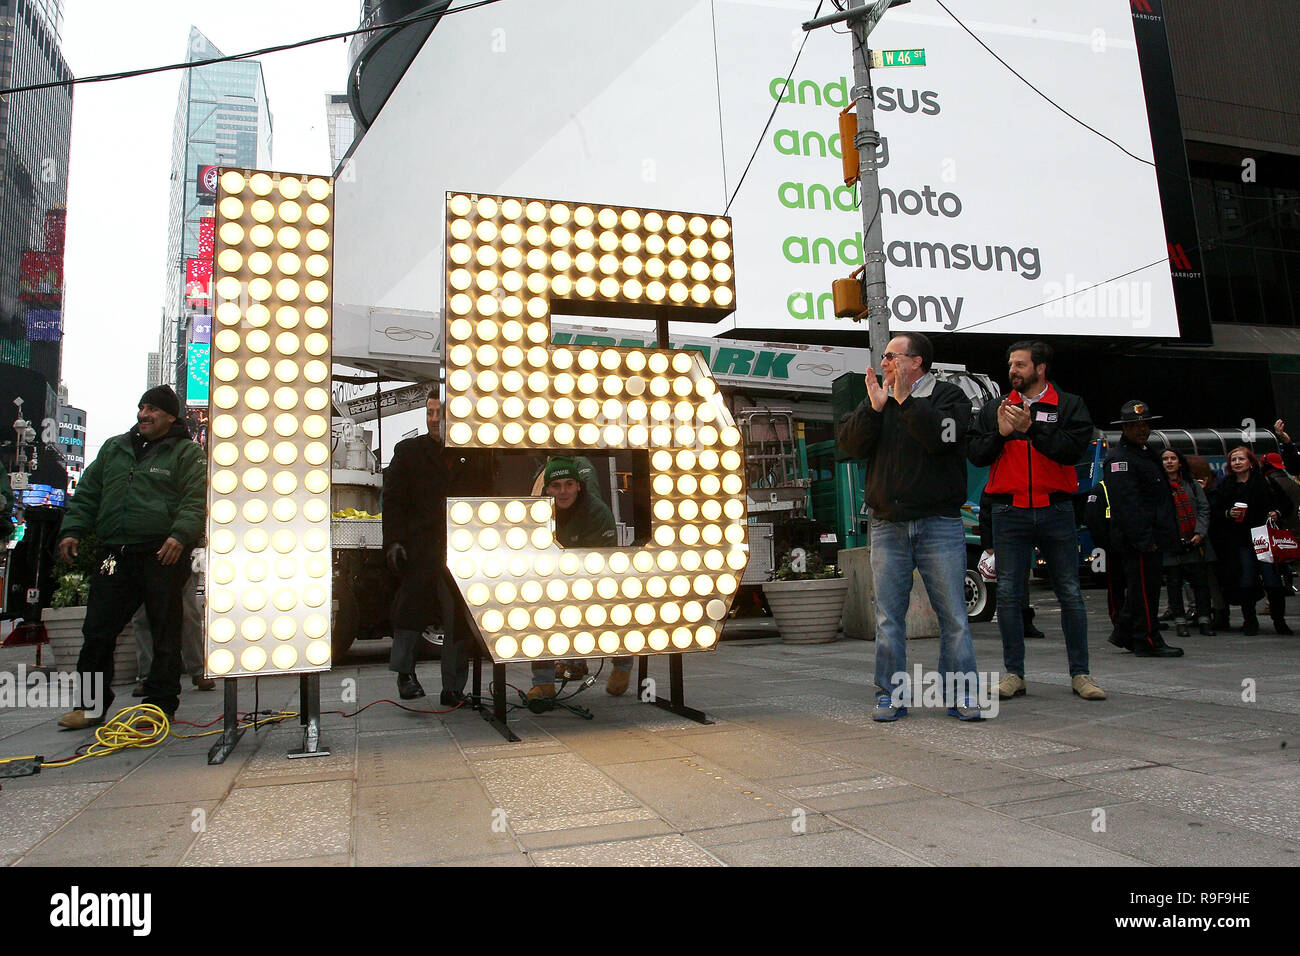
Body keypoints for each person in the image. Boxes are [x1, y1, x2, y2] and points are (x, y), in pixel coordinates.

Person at [838, 331, 983, 721]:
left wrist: (905, 402)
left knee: (952, 614)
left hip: (939, 523)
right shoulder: (877, 401)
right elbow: (849, 445)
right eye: (884, 357)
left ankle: (961, 695)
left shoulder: (950, 397)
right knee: (889, 616)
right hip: (888, 524)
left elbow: (943, 439)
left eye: (891, 356)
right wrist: (872, 408)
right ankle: (891, 695)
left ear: (916, 361)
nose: (884, 362)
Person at [55, 386, 206, 728]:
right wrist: (72, 529)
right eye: (142, 407)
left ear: (171, 416)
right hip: (116, 553)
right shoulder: (114, 448)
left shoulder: (185, 453)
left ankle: (159, 704)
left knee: (164, 630)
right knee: (97, 630)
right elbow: (88, 492)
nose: (144, 414)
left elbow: (195, 499)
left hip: (162, 553)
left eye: (152, 409)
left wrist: (179, 536)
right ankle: (89, 706)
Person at [968, 341, 1104, 701]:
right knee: (1009, 595)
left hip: (1056, 510)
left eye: (1021, 365)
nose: (1013, 370)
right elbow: (976, 455)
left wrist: (1031, 429)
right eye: (1011, 364)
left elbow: (1072, 451)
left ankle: (1081, 674)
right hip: (1009, 512)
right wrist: (1000, 433)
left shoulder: (1069, 405)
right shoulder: (996, 408)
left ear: (1040, 369)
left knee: (1070, 594)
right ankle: (1015, 674)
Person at [383, 391, 493, 705]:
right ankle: (405, 674)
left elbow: (486, 499)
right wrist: (393, 542)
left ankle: (453, 688)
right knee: (409, 611)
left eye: (439, 413)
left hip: (460, 551)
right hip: (420, 549)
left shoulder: (475, 454)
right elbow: (393, 501)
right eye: (429, 412)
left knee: (457, 618)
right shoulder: (408, 452)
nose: (433, 419)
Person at [527, 456, 627, 700]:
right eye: (556, 485)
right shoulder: (535, 513)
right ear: (546, 489)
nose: (563, 492)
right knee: (537, 614)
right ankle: (543, 683)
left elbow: (605, 563)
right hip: (551, 580)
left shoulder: (598, 512)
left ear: (579, 485)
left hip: (593, 580)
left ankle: (623, 666)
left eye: (569, 484)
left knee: (620, 608)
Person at [1103, 401, 1184, 657]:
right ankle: (1148, 640)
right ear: (1124, 428)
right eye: (1135, 425)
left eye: (1145, 424)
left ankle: (1127, 633)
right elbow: (1127, 504)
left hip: (1153, 533)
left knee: (1144, 589)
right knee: (1144, 591)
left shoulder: (1146, 452)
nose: (1142, 429)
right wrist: (1143, 538)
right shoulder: (1120, 459)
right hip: (1138, 538)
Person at [1209, 446, 1289, 635]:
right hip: (1240, 539)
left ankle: (1279, 620)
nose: (1237, 463)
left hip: (1263, 535)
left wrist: (1276, 512)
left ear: (1251, 462)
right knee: (1246, 579)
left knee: (1272, 579)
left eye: (1241, 459)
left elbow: (1286, 503)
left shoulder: (1264, 482)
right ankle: (1250, 620)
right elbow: (1215, 510)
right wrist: (1229, 513)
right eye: (1233, 460)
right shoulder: (1226, 485)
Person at [1160, 449, 1216, 637]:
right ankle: (1180, 621)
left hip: (1194, 541)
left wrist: (1200, 533)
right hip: (1171, 543)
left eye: (1173, 458)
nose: (1169, 462)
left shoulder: (1192, 485)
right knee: (1174, 584)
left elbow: (1203, 509)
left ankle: (1204, 620)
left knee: (1200, 583)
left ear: (1180, 462)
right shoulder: (1158, 487)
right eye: (1165, 459)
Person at [976, 487, 1045, 639]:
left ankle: (1018, 622)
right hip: (1006, 539)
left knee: (1015, 582)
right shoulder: (996, 485)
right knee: (1010, 582)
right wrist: (988, 544)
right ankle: (1017, 623)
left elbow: (985, 514)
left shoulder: (999, 484)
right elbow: (986, 515)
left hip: (1013, 537)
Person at [131, 572, 213, 695]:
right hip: (141, 561)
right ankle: (147, 676)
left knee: (187, 615)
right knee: (142, 617)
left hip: (179, 561)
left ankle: (198, 671)